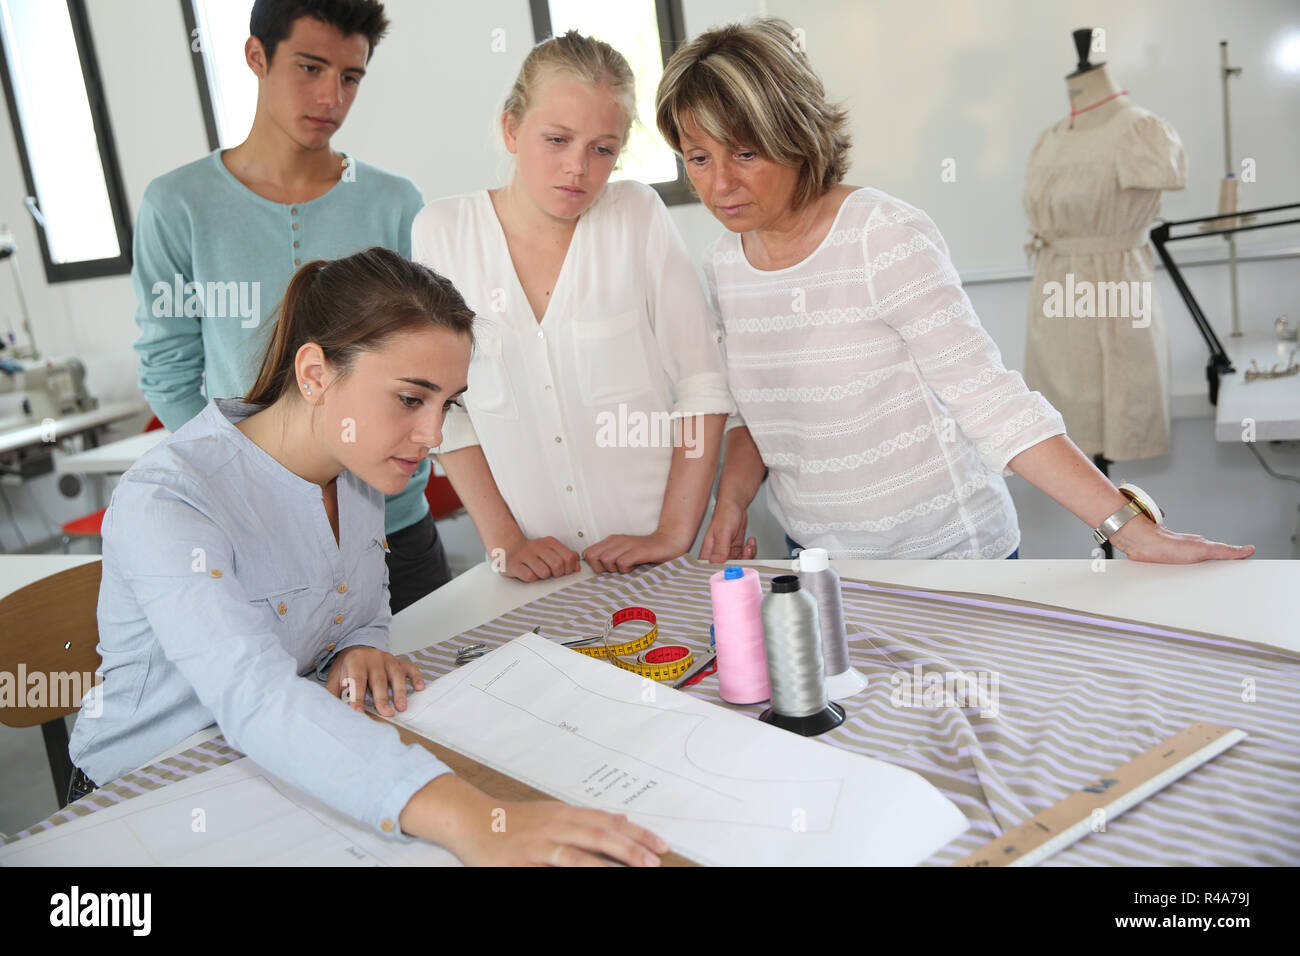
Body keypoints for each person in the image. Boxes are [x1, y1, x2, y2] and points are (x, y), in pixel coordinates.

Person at [68, 248, 667, 866]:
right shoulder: (170, 501)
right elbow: (254, 697)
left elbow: (356, 607)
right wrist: (474, 822)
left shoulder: (355, 467)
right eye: (411, 399)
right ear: (315, 374)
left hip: (270, 763)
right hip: (144, 793)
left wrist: (358, 643)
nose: (433, 436)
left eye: (448, 404)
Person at [654, 19, 1254, 565]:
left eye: (746, 152)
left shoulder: (882, 235)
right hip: (817, 555)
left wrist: (1128, 529)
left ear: (796, 133)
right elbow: (755, 413)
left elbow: (991, 401)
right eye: (699, 158)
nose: (721, 183)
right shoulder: (723, 262)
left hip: (948, 553)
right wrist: (731, 501)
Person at [131, 0, 448, 611]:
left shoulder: (394, 202)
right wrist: (250, 484)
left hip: (392, 527)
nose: (331, 95)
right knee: (282, 703)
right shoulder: (179, 205)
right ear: (257, 56)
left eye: (349, 76)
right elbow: (168, 370)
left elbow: (432, 366)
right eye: (309, 67)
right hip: (258, 534)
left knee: (436, 695)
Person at [412, 31, 735, 582]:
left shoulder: (636, 215)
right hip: (532, 575)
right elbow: (447, 412)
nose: (578, 169)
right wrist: (505, 543)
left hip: (653, 562)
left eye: (602, 148)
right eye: (557, 140)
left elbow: (702, 385)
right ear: (512, 129)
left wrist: (673, 533)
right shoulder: (443, 233)